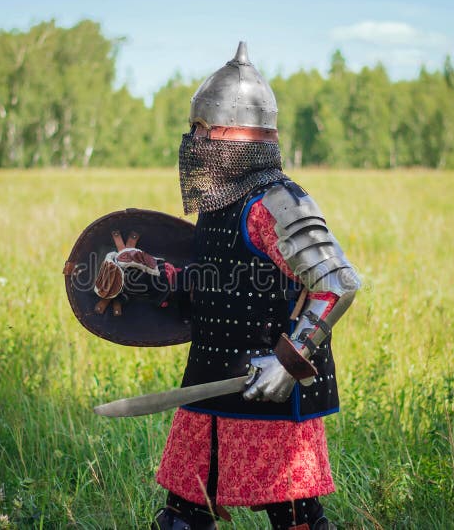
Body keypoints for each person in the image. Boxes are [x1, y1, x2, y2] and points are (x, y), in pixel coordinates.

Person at [149, 42, 360, 530]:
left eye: (201, 129)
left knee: (295, 518)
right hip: (209, 386)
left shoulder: (277, 203)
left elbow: (337, 284)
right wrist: (151, 273)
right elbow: (216, 283)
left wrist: (288, 361)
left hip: (268, 390)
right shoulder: (218, 205)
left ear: (232, 132)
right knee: (181, 515)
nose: (194, 140)